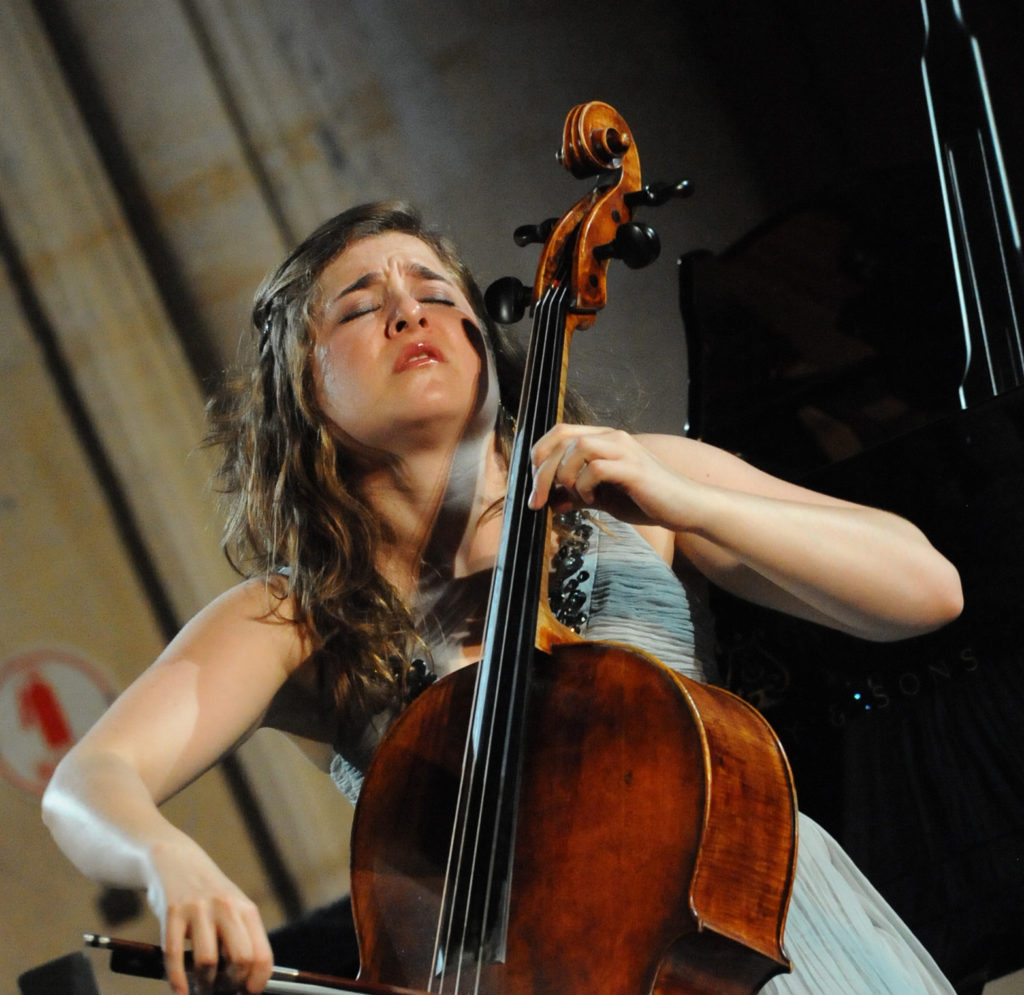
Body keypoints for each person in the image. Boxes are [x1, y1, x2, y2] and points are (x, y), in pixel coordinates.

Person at [42, 201, 964, 995]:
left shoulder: (642, 484)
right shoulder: (303, 616)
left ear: (487, 341)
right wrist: (172, 861)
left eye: (438, 293)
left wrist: (684, 494)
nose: (410, 312)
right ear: (305, 391)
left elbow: (925, 588)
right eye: (362, 308)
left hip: (765, 947)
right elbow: (89, 783)